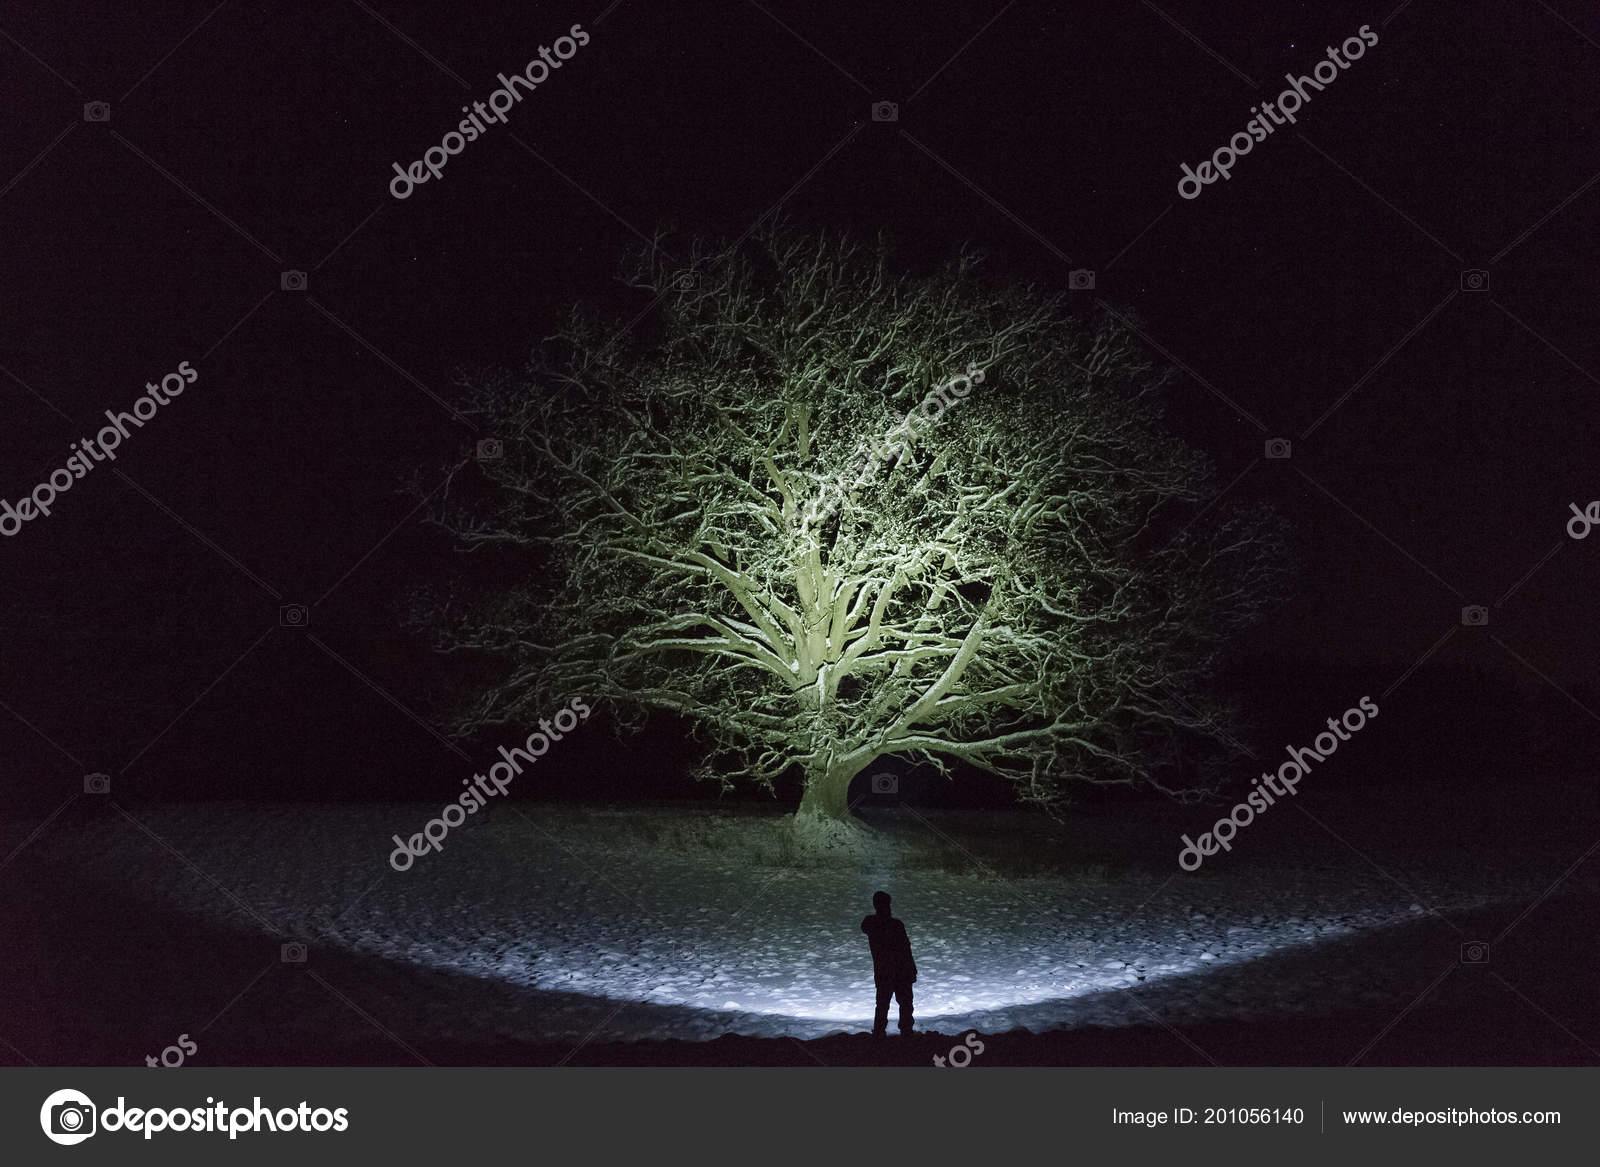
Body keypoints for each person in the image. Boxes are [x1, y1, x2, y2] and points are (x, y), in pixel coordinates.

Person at [861, 890, 917, 1036]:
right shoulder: (896, 925)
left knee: (882, 1003)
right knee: (905, 1003)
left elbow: (865, 926)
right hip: (901, 970)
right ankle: (906, 1031)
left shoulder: (872, 923)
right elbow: (906, 949)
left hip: (883, 970)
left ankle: (879, 1032)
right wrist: (912, 969)